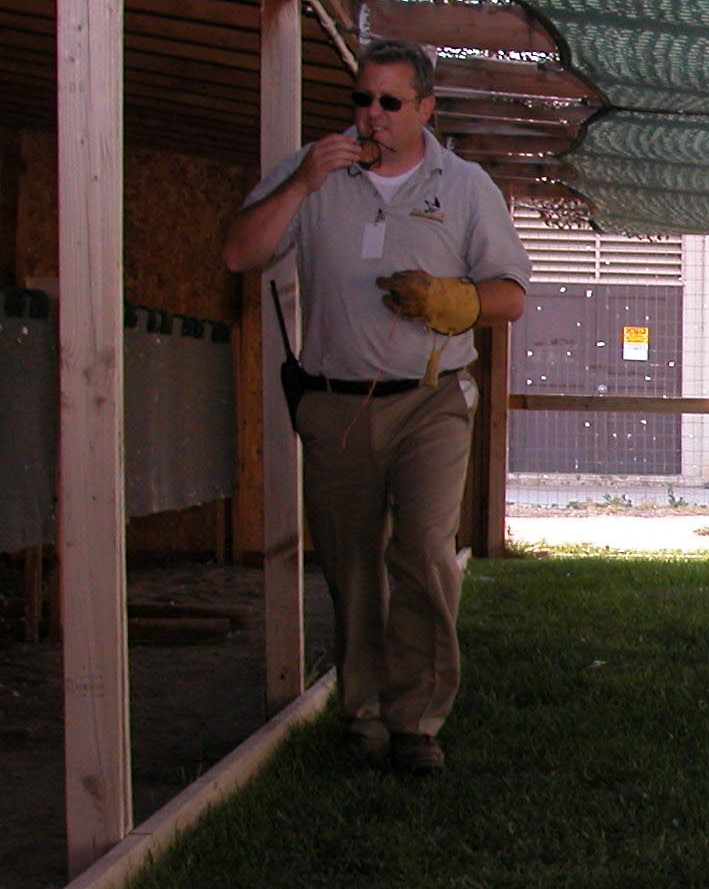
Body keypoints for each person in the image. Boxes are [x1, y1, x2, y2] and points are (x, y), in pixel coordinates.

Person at [220, 39, 529, 775]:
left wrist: (458, 301)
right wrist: (298, 183)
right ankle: (362, 716)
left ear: (425, 107)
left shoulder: (464, 186)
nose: (372, 115)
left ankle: (417, 721)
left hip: (432, 400)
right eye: (362, 99)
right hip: (336, 404)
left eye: (391, 102)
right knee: (352, 566)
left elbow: (511, 296)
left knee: (422, 554)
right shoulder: (312, 174)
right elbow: (238, 254)